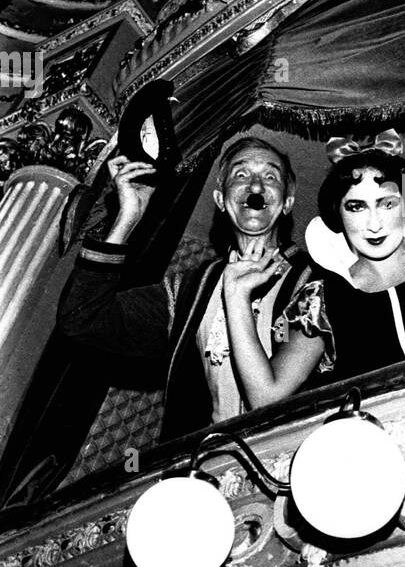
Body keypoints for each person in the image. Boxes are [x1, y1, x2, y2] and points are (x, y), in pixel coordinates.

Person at [57, 134, 312, 439]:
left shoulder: (313, 279)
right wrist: (126, 220)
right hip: (198, 471)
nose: (255, 186)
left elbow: (272, 401)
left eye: (270, 176)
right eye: (241, 174)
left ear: (287, 202)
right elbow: (82, 320)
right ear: (220, 200)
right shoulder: (191, 287)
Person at [239, 130, 405, 399]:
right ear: (338, 216)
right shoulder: (321, 298)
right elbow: (264, 396)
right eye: (356, 207)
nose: (374, 225)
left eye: (386, 203)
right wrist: (236, 295)